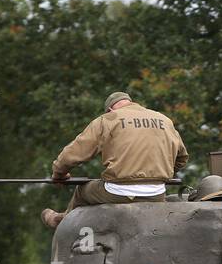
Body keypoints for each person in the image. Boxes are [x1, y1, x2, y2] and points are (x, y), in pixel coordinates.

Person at [42, 91, 189, 228]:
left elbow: (71, 155)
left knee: (82, 190)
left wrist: (59, 174)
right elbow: (182, 158)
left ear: (110, 110)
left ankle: (62, 222)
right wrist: (162, 172)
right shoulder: (164, 120)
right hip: (156, 193)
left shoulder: (107, 120)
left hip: (118, 191)